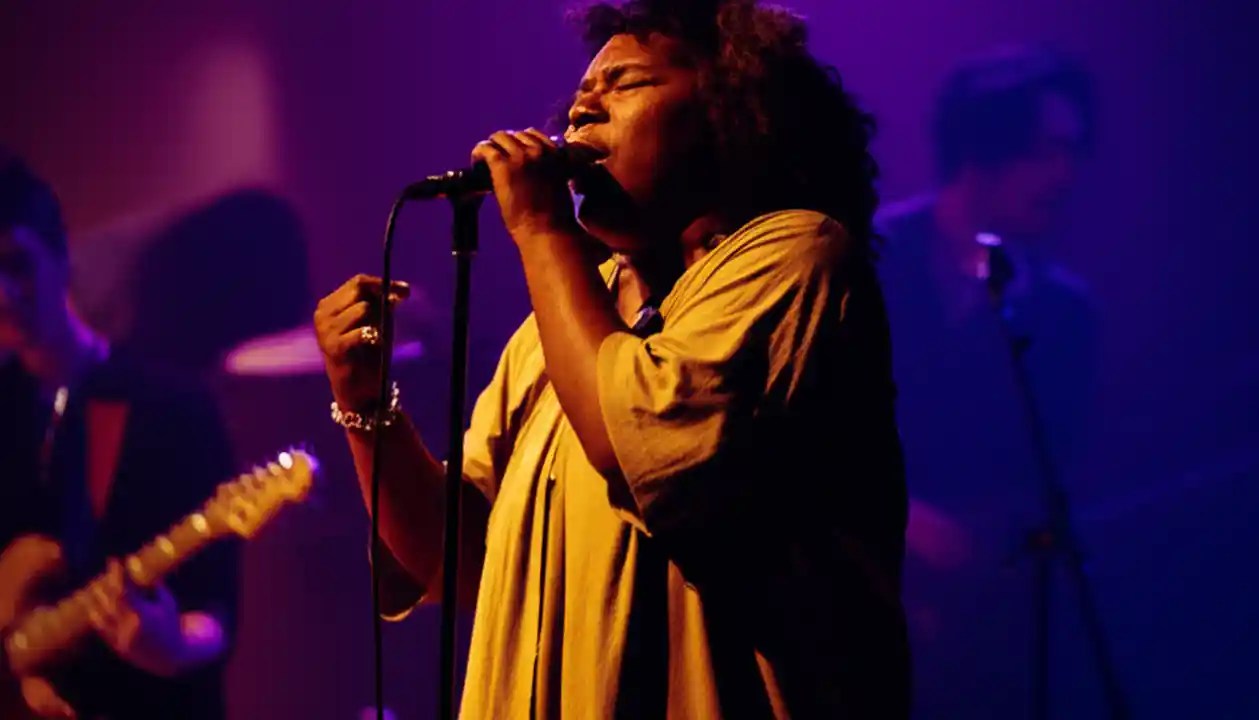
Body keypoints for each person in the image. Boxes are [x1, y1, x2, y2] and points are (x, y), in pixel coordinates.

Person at [315, 0, 909, 716]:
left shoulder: (796, 256)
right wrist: (366, 404)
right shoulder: (562, 322)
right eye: (578, 99)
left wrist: (538, 225)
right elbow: (451, 558)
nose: (579, 111)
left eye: (622, 85)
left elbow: (638, 441)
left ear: (730, 113)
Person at [875, 47, 1099, 717]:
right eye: (1047, 150)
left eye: (1074, 151)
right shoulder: (866, 260)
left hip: (982, 630)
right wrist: (909, 521)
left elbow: (1048, 475)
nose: (1067, 173)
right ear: (982, 150)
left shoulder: (1065, 313)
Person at [0, 150, 239, 719]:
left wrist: (174, 646)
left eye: (17, 264)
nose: (4, 292)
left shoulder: (172, 407)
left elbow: (219, 608)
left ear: (62, 257)